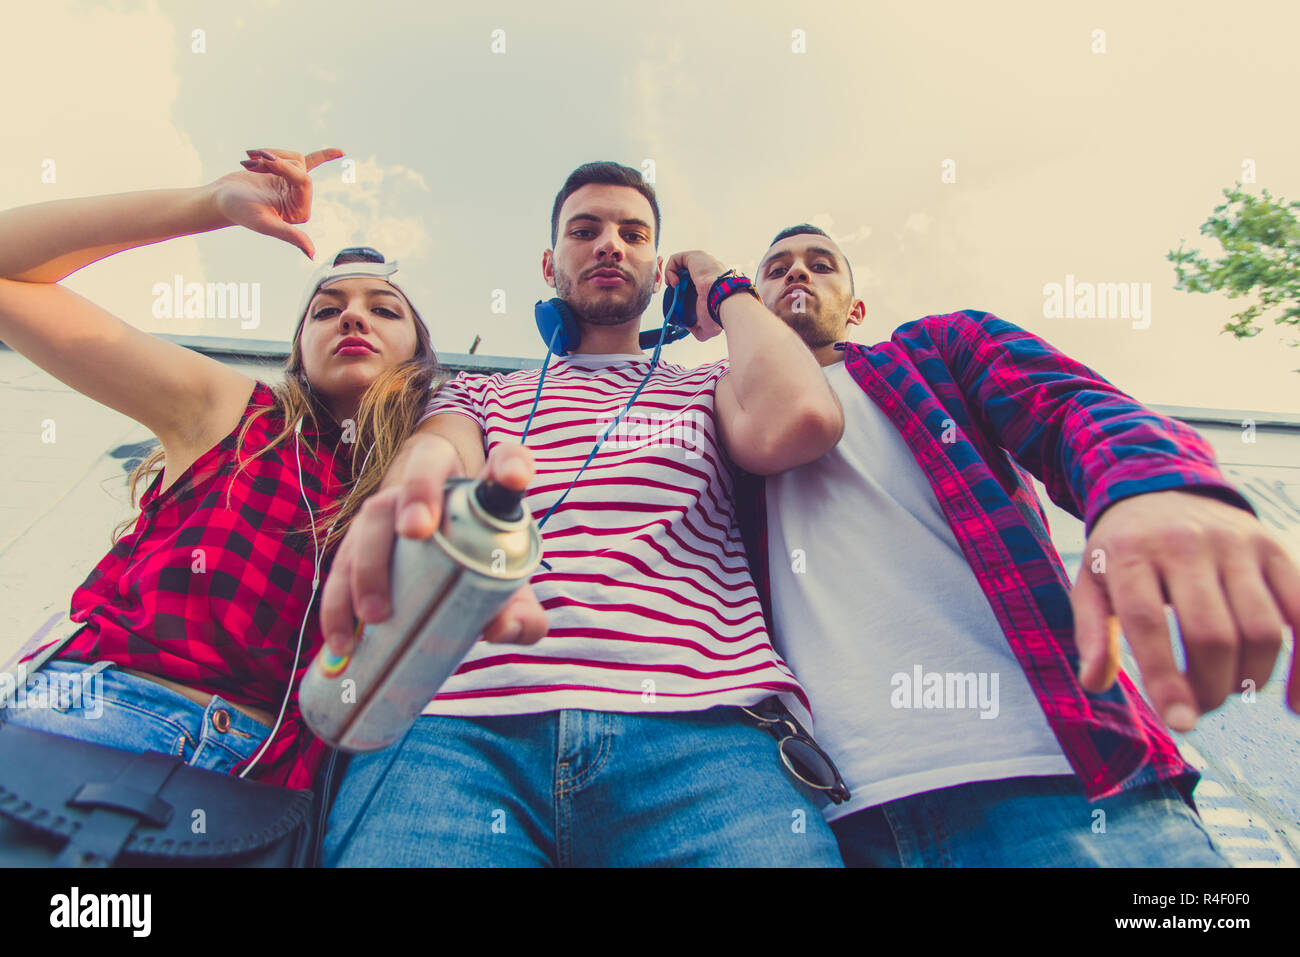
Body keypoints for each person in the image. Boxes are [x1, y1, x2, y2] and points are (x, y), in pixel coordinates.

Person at [319, 162, 849, 866]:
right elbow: (440, 452)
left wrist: (722, 286)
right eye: (585, 230)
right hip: (454, 732)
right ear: (549, 263)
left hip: (705, 734)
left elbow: (805, 417)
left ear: (660, 268)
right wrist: (414, 481)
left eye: (633, 234)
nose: (609, 245)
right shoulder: (482, 391)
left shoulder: (710, 386)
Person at [735, 223, 1300, 866]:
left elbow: (1070, 407)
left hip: (1067, 786)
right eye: (776, 269)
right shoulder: (725, 417)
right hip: (835, 820)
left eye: (820, 264)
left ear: (856, 309)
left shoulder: (938, 351)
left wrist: (1149, 486)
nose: (797, 275)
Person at [0, 147, 479, 789]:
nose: (353, 316)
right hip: (93, 728)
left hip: (274, 801)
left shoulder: (438, 463)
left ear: (421, 355)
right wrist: (208, 204)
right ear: (298, 351)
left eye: (383, 309)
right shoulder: (235, 414)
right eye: (327, 309)